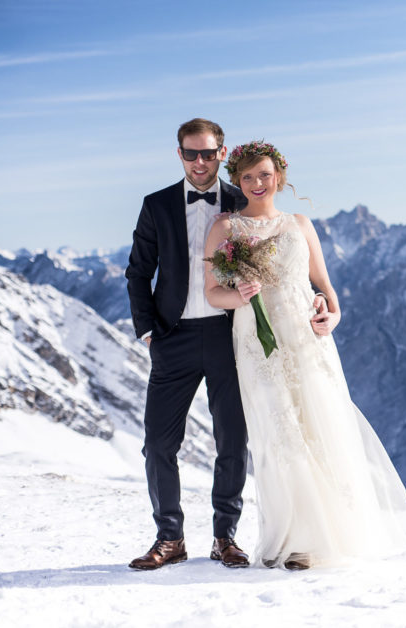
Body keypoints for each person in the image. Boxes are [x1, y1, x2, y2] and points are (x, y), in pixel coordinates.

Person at [203, 140, 406, 570]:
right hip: (258, 342)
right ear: (237, 182)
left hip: (305, 339)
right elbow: (212, 293)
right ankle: (296, 538)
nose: (258, 183)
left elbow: (324, 286)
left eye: (264, 174)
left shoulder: (300, 223)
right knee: (280, 435)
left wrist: (330, 314)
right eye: (247, 177)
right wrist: (238, 294)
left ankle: (324, 536)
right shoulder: (226, 229)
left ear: (279, 175)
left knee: (321, 428)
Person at [125, 118, 251, 570]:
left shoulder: (243, 202)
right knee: (158, 444)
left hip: (229, 337)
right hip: (172, 339)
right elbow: (138, 272)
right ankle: (170, 538)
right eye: (191, 153)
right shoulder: (155, 205)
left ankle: (225, 537)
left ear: (222, 152)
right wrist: (148, 330)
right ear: (179, 154)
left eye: (208, 153)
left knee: (232, 441)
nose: (200, 162)